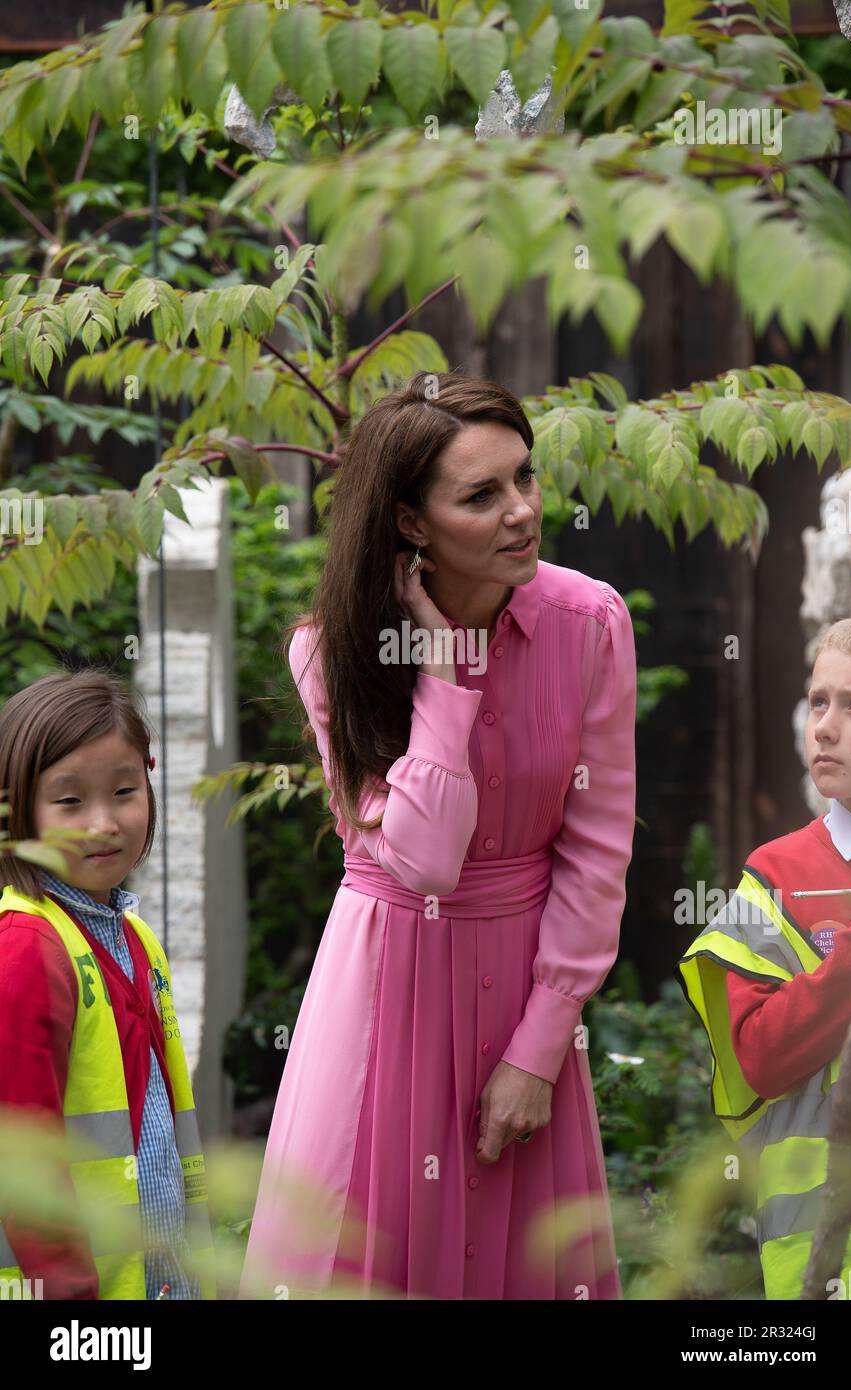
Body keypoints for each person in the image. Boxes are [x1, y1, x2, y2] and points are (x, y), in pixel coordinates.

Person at [240, 370, 637, 1300]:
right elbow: (421, 859)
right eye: (481, 494)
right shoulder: (330, 651)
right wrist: (447, 675)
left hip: (527, 991)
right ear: (412, 523)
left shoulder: (590, 624)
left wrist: (539, 1050)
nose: (522, 512)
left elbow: (596, 855)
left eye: (525, 478)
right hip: (385, 987)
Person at [0, 669, 214, 1300]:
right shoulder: (26, 948)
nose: (103, 823)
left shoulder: (135, 938)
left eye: (124, 791)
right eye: (69, 802)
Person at [679, 615, 851, 1299]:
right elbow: (758, 1056)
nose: (824, 726)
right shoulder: (777, 874)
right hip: (822, 1250)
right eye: (819, 700)